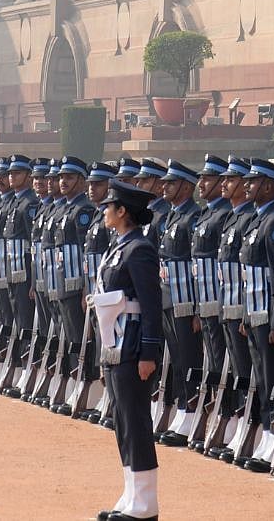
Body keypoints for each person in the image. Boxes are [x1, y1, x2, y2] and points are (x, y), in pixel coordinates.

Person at [94, 179, 163, 521]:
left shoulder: (140, 249)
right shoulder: (118, 247)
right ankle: (131, 494)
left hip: (133, 347)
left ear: (122, 211)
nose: (105, 212)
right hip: (115, 344)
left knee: (136, 422)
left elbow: (151, 305)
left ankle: (145, 503)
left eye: (109, 207)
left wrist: (149, 353)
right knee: (122, 422)